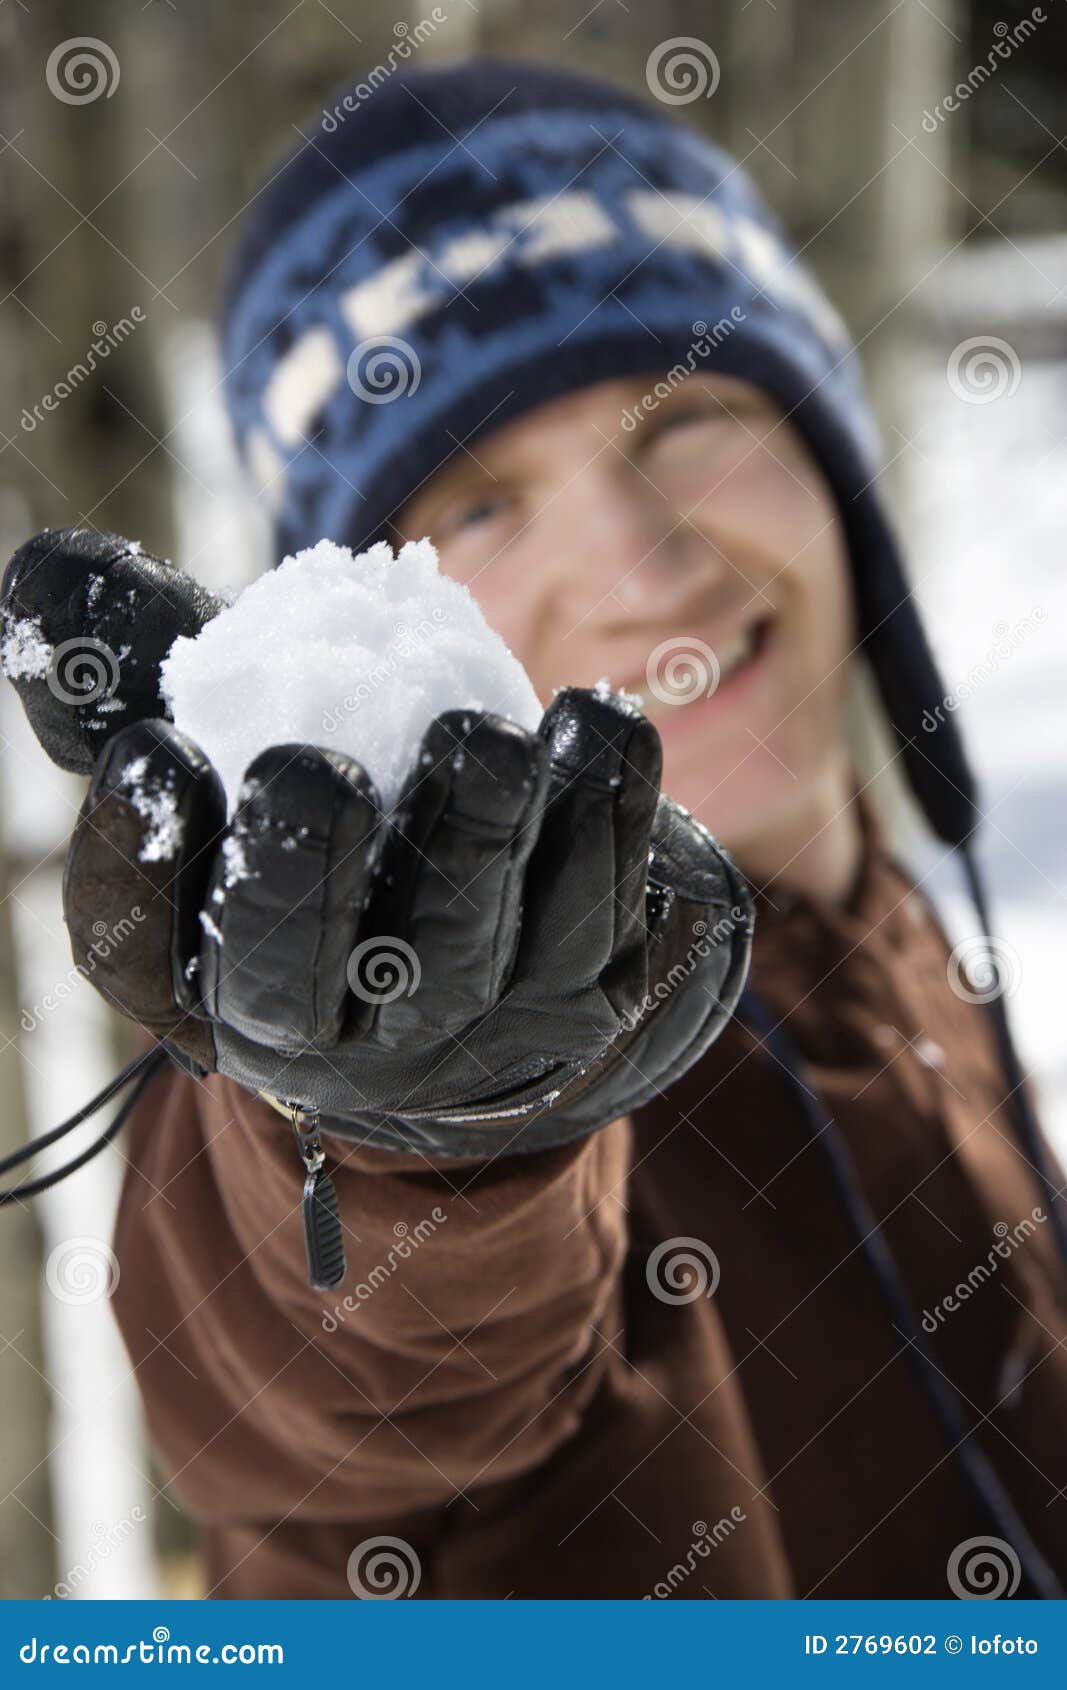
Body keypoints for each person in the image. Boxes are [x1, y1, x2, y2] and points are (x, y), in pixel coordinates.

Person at [5, 59, 1067, 1601]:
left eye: (689, 412)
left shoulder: (902, 937)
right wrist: (414, 1144)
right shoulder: (450, 1083)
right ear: (382, 629)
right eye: (481, 505)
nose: (641, 567)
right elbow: (375, 1412)